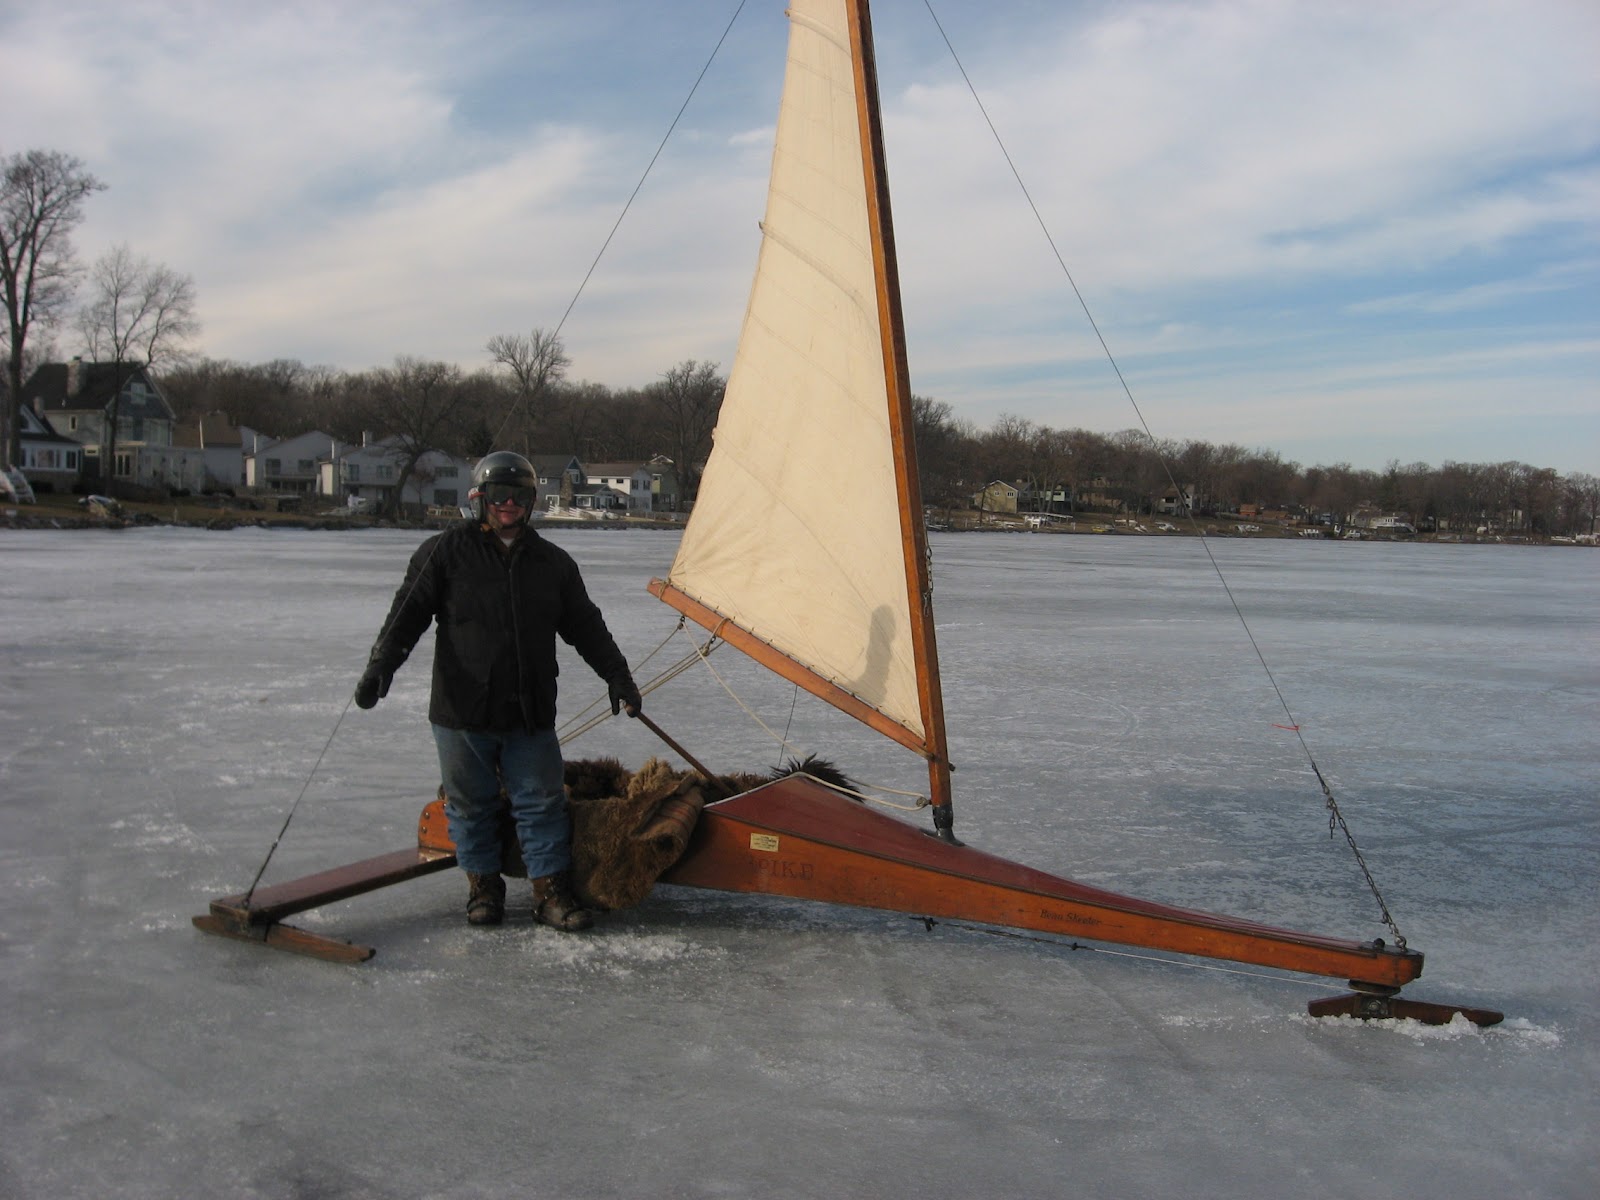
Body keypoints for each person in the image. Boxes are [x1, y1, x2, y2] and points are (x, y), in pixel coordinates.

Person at [354, 450, 642, 931]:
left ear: (532, 502)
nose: (508, 505)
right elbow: (405, 617)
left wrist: (617, 675)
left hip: (528, 712)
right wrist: (380, 668)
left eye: (519, 496)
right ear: (478, 498)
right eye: (498, 495)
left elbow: (586, 627)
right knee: (471, 804)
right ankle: (483, 888)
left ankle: (550, 894)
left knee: (542, 803)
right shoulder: (443, 553)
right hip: (460, 709)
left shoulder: (553, 564)